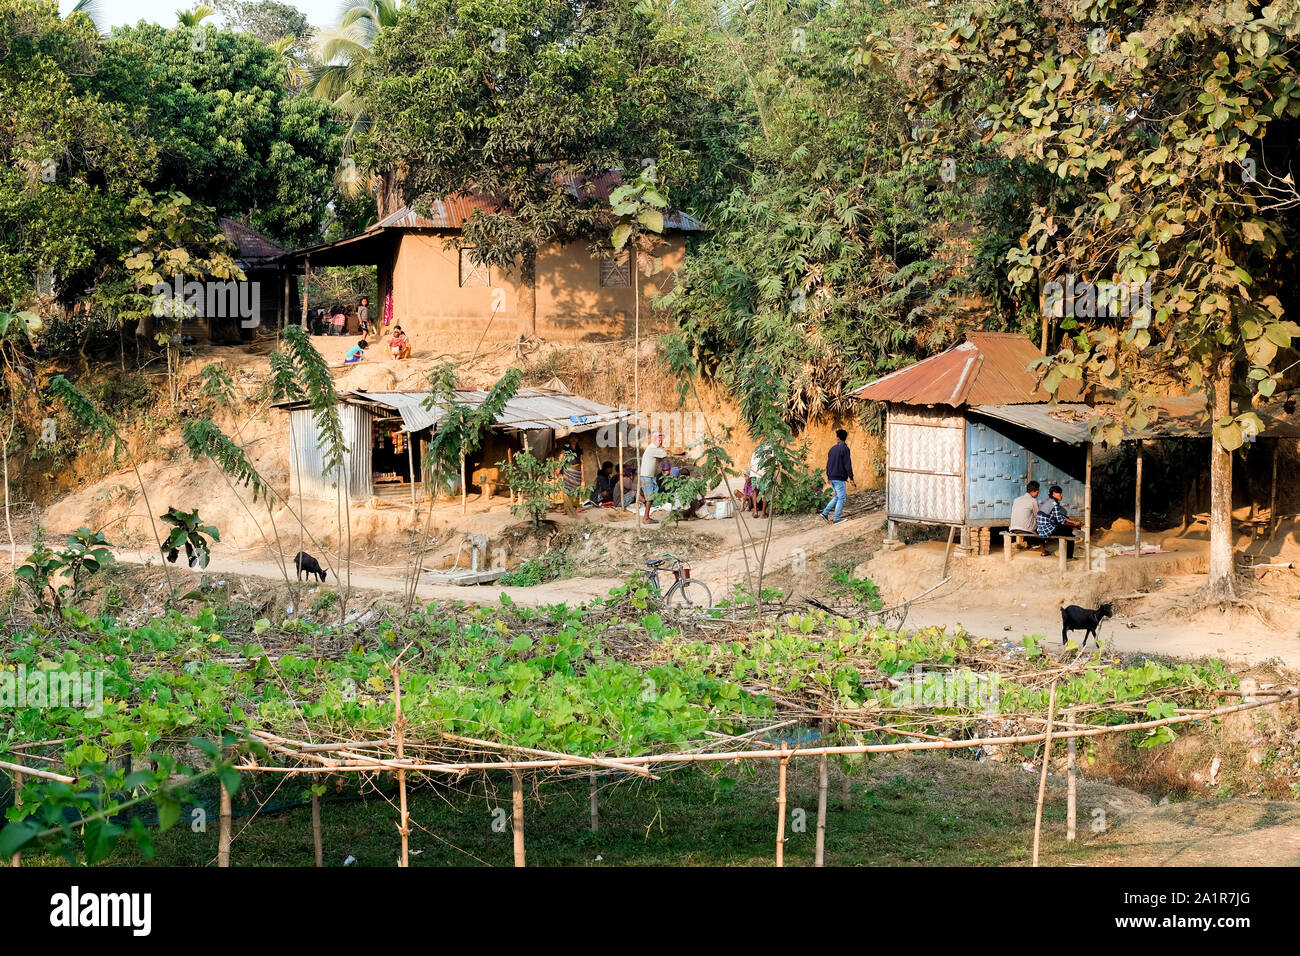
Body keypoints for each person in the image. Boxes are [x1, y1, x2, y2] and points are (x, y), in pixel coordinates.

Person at [820, 428, 856, 524]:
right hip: (839, 477)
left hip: (832, 477)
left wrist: (828, 476)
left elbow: (828, 464)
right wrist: (851, 478)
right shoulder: (845, 449)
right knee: (842, 498)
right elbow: (847, 464)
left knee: (837, 497)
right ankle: (836, 519)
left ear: (838, 437)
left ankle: (825, 512)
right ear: (845, 438)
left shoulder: (832, 449)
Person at [1036, 484, 1081, 556]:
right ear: (1054, 493)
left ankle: (1046, 552)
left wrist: (1073, 522)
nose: (1061, 495)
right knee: (1069, 533)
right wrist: (1073, 525)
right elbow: (1061, 521)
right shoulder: (1054, 504)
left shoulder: (1048, 501)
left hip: (1040, 529)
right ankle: (1069, 556)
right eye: (1059, 493)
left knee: (1066, 528)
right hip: (1047, 530)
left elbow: (1060, 516)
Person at [639, 432, 668, 524]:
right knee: (650, 497)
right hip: (647, 476)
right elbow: (664, 454)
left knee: (653, 494)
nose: (660, 443)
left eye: (661, 441)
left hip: (649, 476)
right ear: (654, 440)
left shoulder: (652, 449)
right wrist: (661, 448)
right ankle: (646, 518)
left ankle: (647, 516)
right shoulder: (652, 449)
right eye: (659, 441)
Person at [749, 441, 771, 519]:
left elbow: (751, 463)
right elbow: (773, 462)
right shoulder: (771, 449)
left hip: (754, 473)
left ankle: (755, 511)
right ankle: (763, 513)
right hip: (764, 474)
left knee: (755, 491)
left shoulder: (756, 449)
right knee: (766, 492)